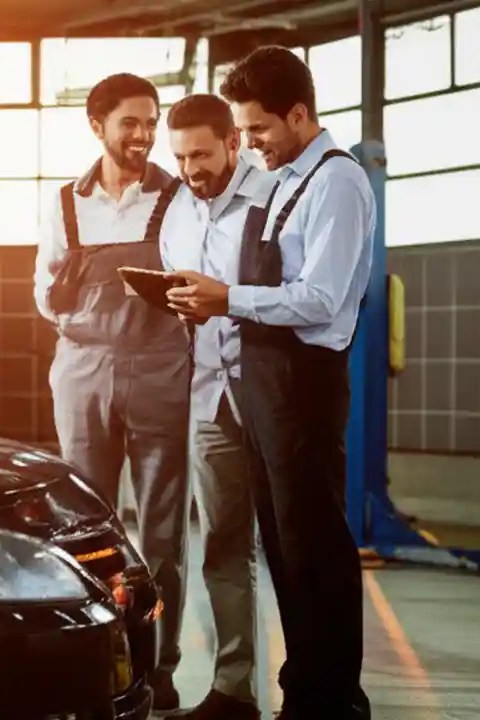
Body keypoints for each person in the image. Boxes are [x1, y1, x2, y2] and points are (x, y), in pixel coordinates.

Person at [166, 46, 376, 720]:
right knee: (286, 550)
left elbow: (319, 298)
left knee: (315, 551)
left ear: (299, 114)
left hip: (304, 383)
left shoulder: (337, 182)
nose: (250, 144)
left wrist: (227, 298)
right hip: (266, 382)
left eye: (257, 129)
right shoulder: (286, 177)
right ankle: (304, 693)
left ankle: (334, 702)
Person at [32, 72, 191, 713]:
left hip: (159, 366)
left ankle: (160, 667)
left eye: (151, 122)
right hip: (83, 365)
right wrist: (66, 294)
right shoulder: (65, 203)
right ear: (97, 126)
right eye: (131, 122)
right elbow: (43, 293)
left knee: (162, 529)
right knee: (83, 526)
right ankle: (96, 666)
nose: (143, 134)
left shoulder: (176, 197)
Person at [157, 93, 277, 720]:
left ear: (234, 142)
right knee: (225, 546)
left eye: (201, 154)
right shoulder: (179, 209)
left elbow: (302, 294)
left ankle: (314, 691)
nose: (190, 169)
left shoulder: (274, 197)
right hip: (210, 393)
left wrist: (225, 298)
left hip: (273, 393)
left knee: (292, 548)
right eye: (180, 157)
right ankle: (234, 690)